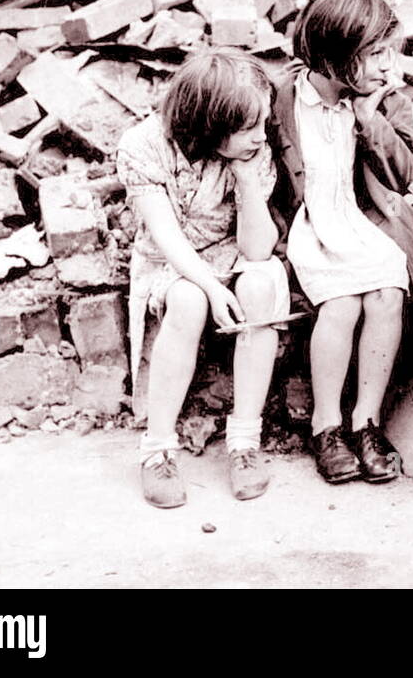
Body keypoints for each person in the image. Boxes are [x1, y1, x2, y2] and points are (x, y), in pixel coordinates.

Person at [117, 50, 290, 509]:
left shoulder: (253, 152)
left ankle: (244, 441)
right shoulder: (144, 145)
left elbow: (256, 249)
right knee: (190, 299)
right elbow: (166, 237)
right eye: (246, 128)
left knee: (260, 285)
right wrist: (212, 288)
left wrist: (249, 181)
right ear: (209, 123)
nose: (259, 136)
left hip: (229, 251)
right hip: (170, 259)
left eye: (262, 125)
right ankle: (157, 449)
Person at [271, 0, 413, 485]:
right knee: (341, 302)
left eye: (391, 53)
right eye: (375, 55)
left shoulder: (387, 101)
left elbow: (405, 176)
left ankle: (366, 421)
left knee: (385, 291)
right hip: (307, 224)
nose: (388, 68)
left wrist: (369, 121)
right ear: (337, 54)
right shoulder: (280, 99)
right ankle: (326, 426)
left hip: (360, 219)